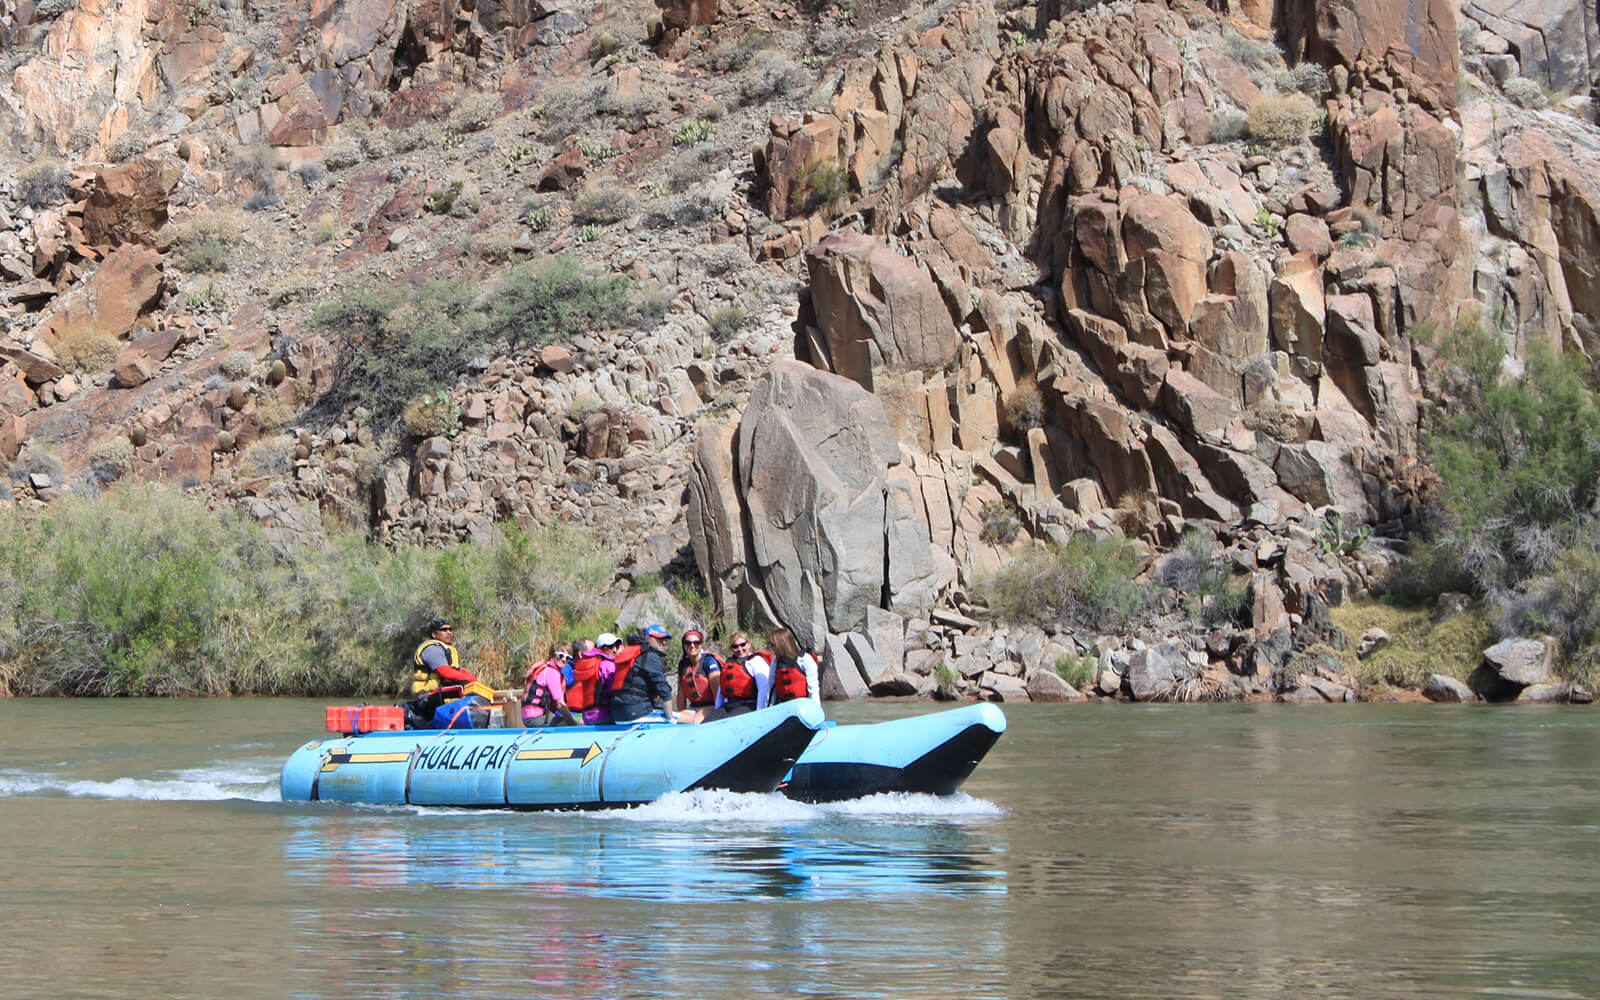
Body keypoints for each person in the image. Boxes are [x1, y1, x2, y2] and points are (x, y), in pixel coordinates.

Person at [408, 618, 487, 729]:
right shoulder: (432, 650)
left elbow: (459, 671)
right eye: (444, 630)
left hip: (442, 692)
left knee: (474, 687)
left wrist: (477, 682)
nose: (449, 632)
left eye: (450, 629)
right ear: (434, 634)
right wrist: (470, 680)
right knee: (462, 687)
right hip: (427, 697)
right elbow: (446, 673)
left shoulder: (448, 650)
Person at [612, 623, 675, 723]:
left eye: (664, 639)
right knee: (689, 717)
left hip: (618, 715)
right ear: (648, 638)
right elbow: (664, 691)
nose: (663, 642)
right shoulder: (651, 657)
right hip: (636, 714)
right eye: (659, 639)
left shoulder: (636, 656)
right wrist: (670, 719)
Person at [714, 630, 771, 716]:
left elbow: (764, 688)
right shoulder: (729, 664)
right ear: (731, 648)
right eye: (735, 646)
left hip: (749, 705)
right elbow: (720, 690)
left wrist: (760, 713)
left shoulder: (756, 661)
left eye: (743, 645)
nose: (740, 649)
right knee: (710, 723)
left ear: (749, 644)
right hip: (729, 706)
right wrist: (716, 709)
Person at [569, 634, 617, 725]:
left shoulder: (587, 665)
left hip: (587, 717)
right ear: (601, 648)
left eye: (616, 646)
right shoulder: (607, 665)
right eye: (610, 647)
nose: (614, 650)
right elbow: (616, 691)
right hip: (605, 715)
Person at [675, 629, 722, 720]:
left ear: (701, 645)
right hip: (694, 706)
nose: (692, 646)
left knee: (695, 720)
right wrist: (680, 711)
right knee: (677, 718)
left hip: (711, 705)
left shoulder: (709, 661)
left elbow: (717, 689)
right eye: (688, 643)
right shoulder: (683, 664)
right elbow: (681, 693)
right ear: (684, 646)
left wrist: (718, 713)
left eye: (696, 643)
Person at [523, 645, 576, 726]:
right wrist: (573, 724)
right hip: (535, 717)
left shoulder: (545, 668)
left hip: (528, 716)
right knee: (572, 725)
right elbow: (560, 703)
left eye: (568, 657)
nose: (564, 659)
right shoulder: (551, 672)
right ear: (552, 655)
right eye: (560, 655)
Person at [768, 626, 820, 707]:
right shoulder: (775, 661)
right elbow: (771, 690)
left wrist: (816, 711)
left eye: (773, 644)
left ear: (782, 645)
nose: (771, 647)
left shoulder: (805, 659)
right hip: (783, 706)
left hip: (803, 706)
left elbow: (813, 689)